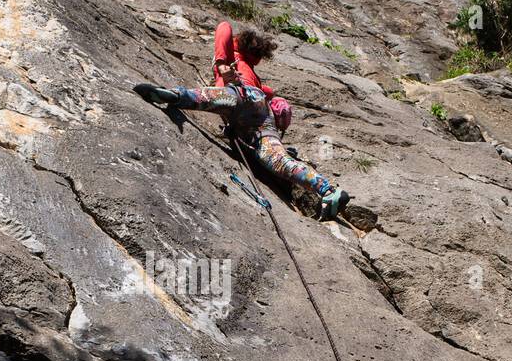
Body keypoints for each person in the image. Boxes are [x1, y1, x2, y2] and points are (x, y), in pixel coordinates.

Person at [134, 21, 350, 220]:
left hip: (240, 94)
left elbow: (224, 27)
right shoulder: (252, 71)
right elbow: (267, 91)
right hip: (262, 116)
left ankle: (174, 96)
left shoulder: (233, 56)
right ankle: (328, 191)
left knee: (206, 98)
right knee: (280, 161)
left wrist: (221, 63)